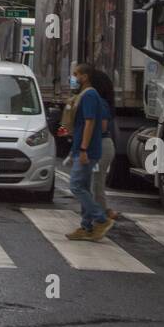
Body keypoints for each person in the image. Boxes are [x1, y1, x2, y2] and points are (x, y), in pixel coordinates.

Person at [66, 62, 113, 241]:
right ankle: (86, 227)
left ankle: (101, 219)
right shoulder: (84, 95)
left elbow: (90, 122)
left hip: (88, 150)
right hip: (82, 148)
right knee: (84, 187)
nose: (73, 78)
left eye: (76, 74)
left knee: (76, 186)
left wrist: (84, 149)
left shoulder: (90, 95)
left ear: (84, 77)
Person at [89, 67, 120, 224]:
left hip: (101, 147)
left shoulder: (100, 103)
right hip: (100, 146)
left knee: (96, 183)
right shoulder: (99, 101)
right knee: (94, 183)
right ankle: (102, 211)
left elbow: (101, 127)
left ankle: (100, 217)